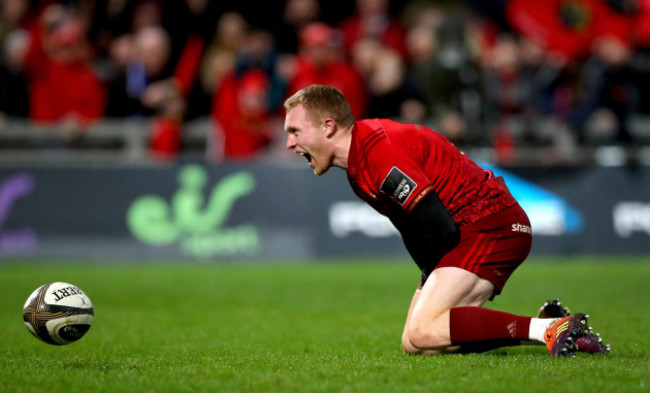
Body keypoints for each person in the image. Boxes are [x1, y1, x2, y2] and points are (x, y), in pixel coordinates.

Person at [283, 84, 610, 356]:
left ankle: (548, 330)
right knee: (416, 343)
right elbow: (413, 227)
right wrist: (429, 279)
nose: (289, 143)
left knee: (425, 330)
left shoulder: (379, 153)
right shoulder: (358, 166)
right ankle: (545, 325)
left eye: (295, 131)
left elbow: (437, 226)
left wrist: (431, 283)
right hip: (467, 230)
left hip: (491, 226)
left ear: (328, 126)